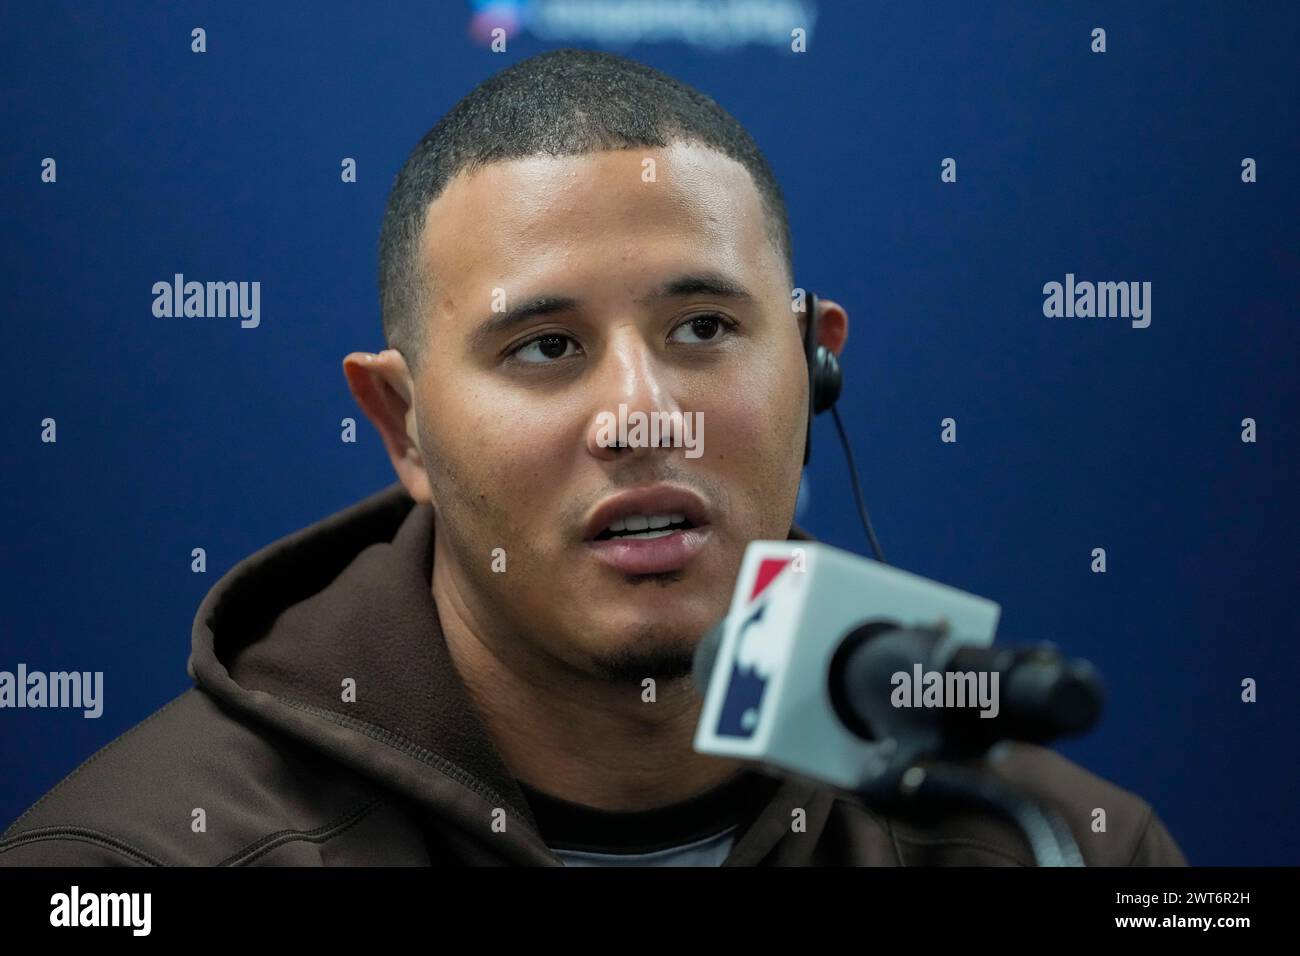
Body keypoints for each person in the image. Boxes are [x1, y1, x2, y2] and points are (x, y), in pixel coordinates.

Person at [0, 48, 1185, 866]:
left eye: (705, 330)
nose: (643, 414)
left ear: (816, 362)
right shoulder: (129, 859)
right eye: (546, 345)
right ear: (402, 425)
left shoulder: (1055, 841)